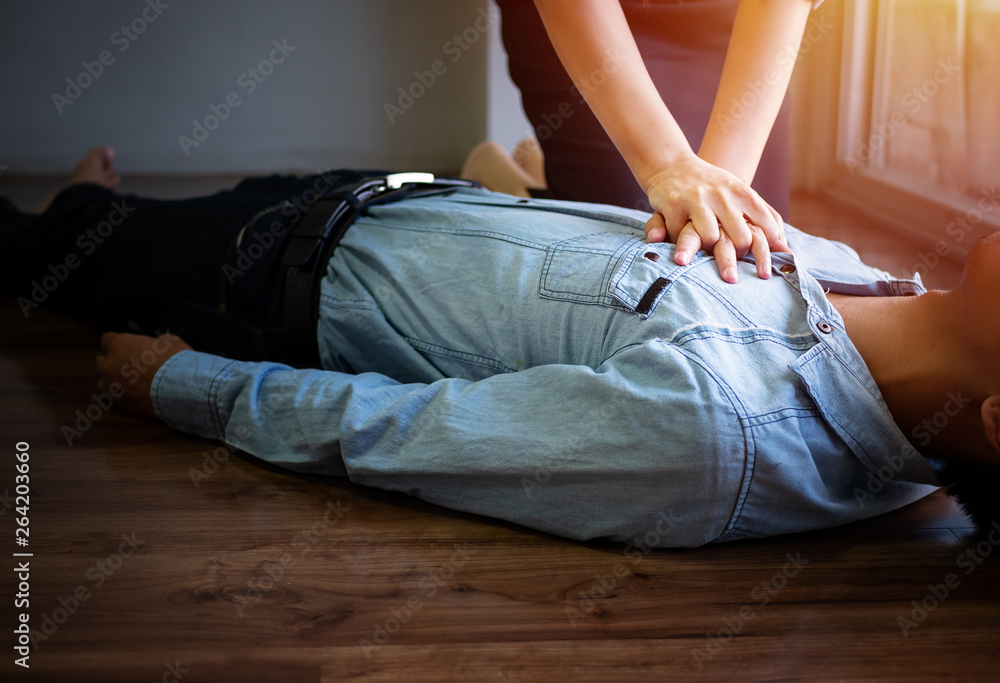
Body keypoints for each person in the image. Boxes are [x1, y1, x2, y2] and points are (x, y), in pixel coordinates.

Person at [2, 145, 997, 548]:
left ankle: (73, 212)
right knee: (137, 217)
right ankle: (95, 204)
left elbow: (420, 434)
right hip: (396, 195)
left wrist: (190, 387)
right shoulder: (864, 275)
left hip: (268, 282)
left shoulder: (722, 431)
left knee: (43, 253)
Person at [493, 0, 846, 284]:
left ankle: (537, 166)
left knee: (743, 253)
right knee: (632, 242)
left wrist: (715, 208)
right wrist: (667, 167)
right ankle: (507, 179)